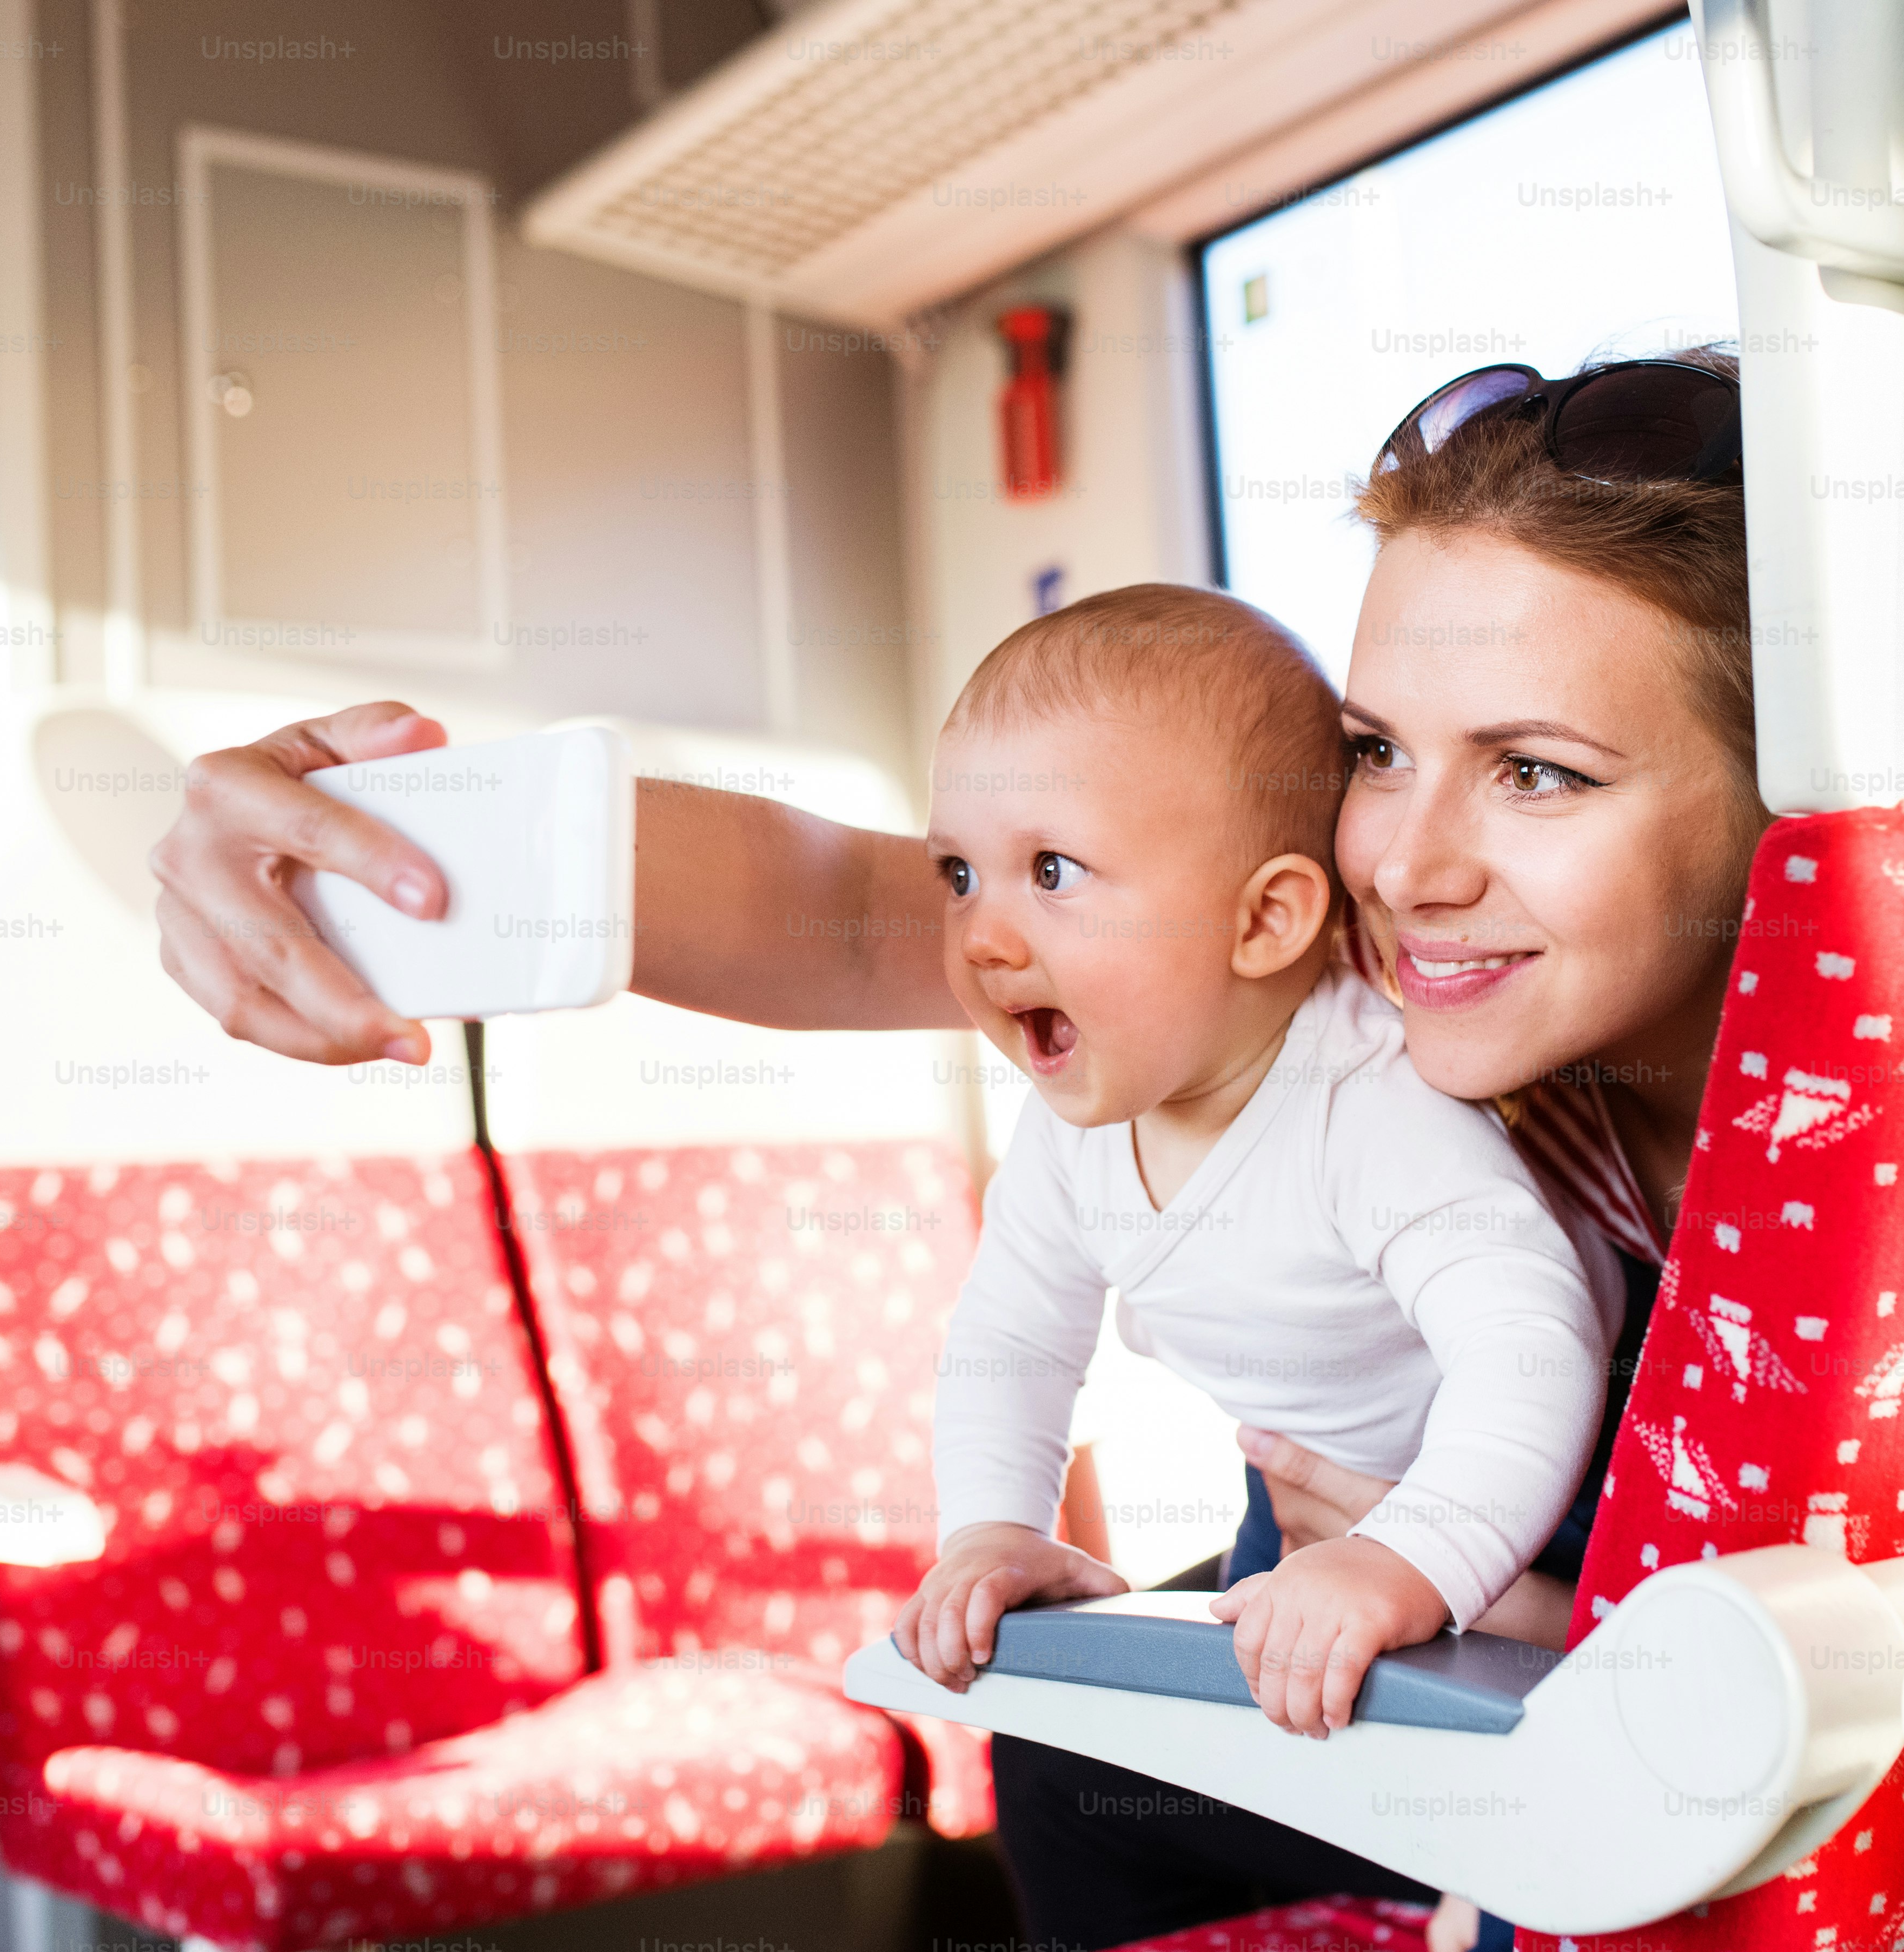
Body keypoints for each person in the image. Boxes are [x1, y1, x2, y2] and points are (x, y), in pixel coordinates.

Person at [148, 351, 1763, 1950]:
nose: (1403, 863)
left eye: (1537, 770)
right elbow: (867, 917)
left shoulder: (1877, 1144)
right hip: (1358, 1565)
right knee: (1067, 1781)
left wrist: (1493, 1601)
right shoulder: (1318, 948)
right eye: (1373, 751)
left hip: (1576, 1633)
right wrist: (397, 854)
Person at [890, 583, 1620, 1739]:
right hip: (1298, 1485)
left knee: (1484, 1763)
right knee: (1098, 1756)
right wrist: (992, 1527)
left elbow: (1533, 1355)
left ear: (1265, 920)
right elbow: (1012, 1338)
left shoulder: (1369, 1109)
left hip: (1548, 1476)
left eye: (1053, 871)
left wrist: (1404, 1561)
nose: (981, 934)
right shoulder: (1070, 1128)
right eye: (959, 874)